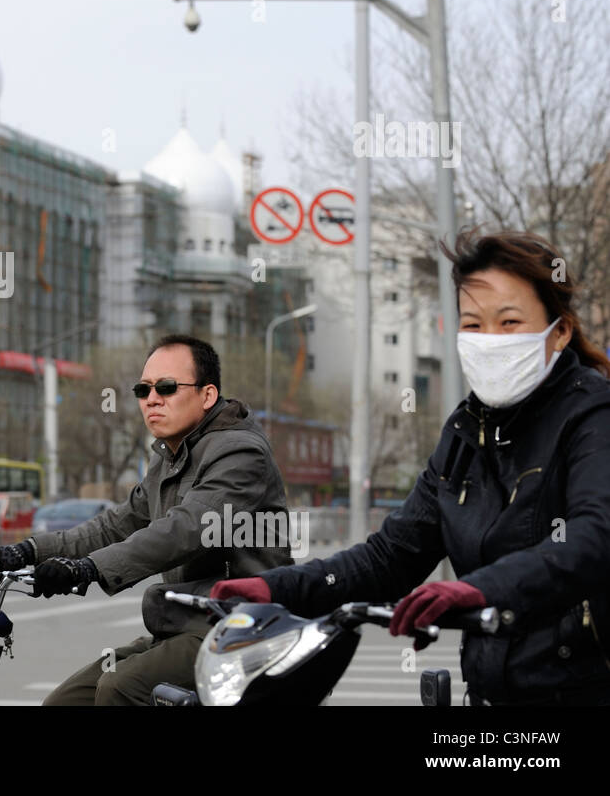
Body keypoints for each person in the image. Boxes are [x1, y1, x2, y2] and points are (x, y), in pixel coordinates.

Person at [215, 229, 610, 705]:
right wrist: (278, 588)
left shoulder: (593, 415)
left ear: (559, 331)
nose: (490, 341)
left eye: (509, 322)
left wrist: (478, 590)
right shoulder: (466, 431)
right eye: (474, 325)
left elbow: (595, 537)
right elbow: (393, 555)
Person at [0, 334, 294, 705]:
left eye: (166, 387)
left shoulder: (240, 453)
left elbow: (184, 529)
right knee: (66, 701)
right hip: (183, 624)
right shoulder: (170, 455)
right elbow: (115, 524)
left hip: (238, 627)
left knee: (121, 688)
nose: (152, 399)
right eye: (143, 389)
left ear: (207, 395)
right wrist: (27, 551)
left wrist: (86, 569)